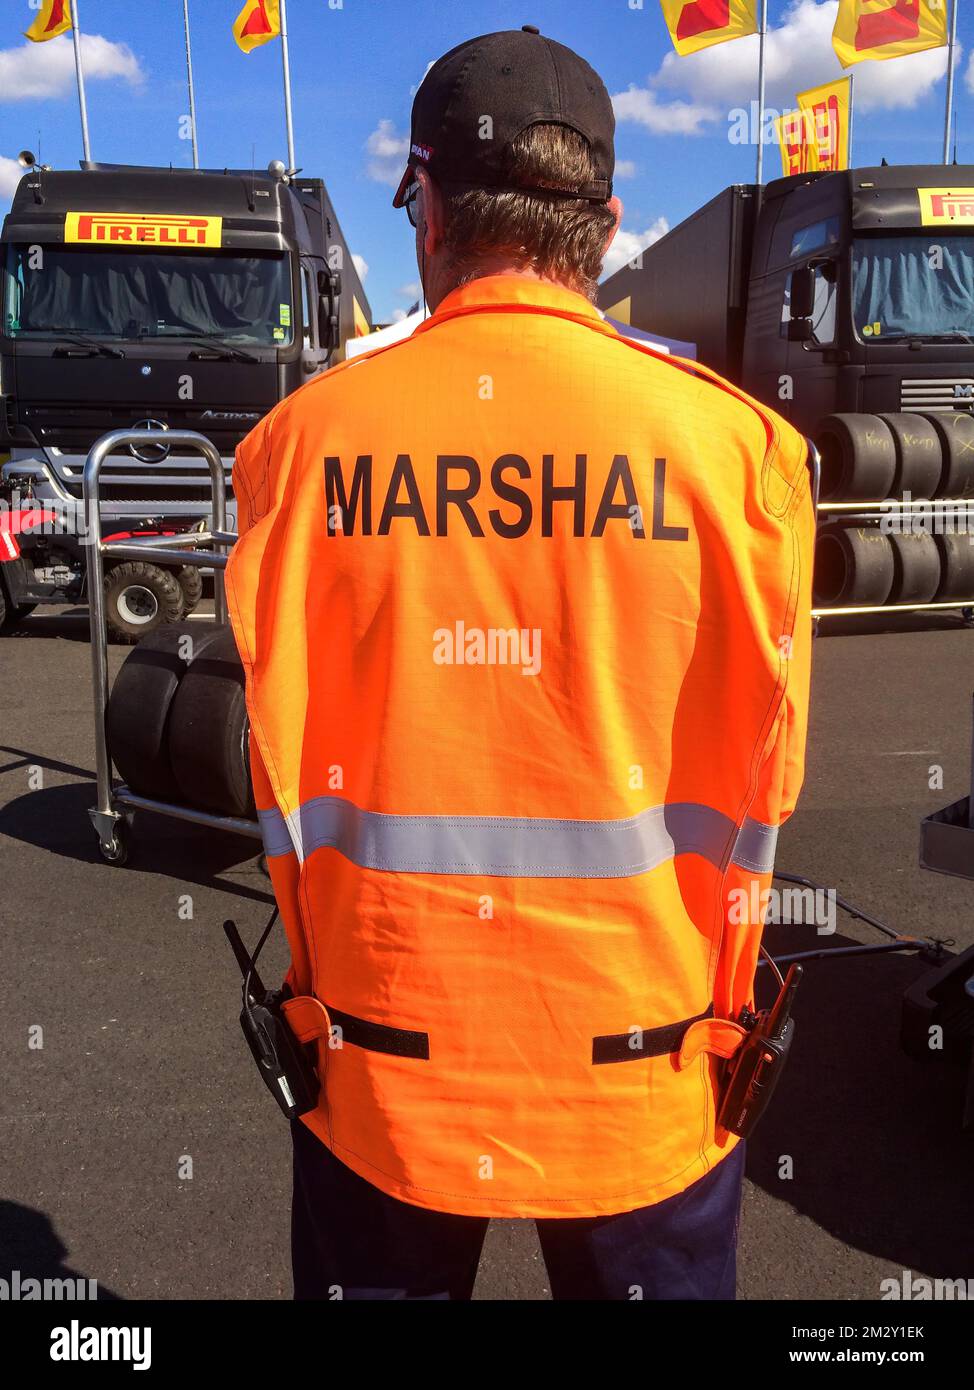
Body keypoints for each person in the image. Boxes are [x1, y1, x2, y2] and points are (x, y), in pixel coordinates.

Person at [225, 25, 815, 1301]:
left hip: (382, 1075)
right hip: (644, 1074)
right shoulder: (739, 454)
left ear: (426, 207)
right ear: (599, 225)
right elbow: (766, 782)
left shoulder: (297, 449)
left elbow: (270, 758)